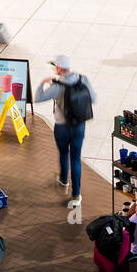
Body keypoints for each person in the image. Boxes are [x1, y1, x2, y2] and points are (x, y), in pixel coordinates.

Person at [35, 54, 96, 205]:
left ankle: (63, 178)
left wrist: (43, 83)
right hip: (79, 127)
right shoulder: (83, 80)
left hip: (62, 127)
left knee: (63, 152)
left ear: (58, 68)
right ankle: (76, 195)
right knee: (76, 159)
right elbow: (93, 98)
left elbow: (38, 98)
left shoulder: (57, 86)